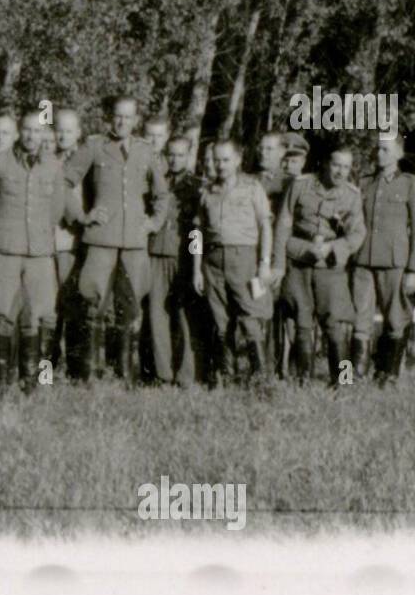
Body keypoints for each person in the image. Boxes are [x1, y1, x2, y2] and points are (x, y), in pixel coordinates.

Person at [69, 96, 168, 383]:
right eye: (117, 116)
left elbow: (162, 195)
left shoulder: (145, 151)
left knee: (132, 304)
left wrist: (153, 223)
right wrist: (82, 215)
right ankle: (88, 373)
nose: (122, 122)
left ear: (137, 120)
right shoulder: (94, 146)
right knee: (93, 303)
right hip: (101, 238)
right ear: (108, 117)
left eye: (128, 117)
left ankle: (125, 373)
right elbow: (64, 182)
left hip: (134, 241)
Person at [0, 108, 66, 392]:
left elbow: (57, 207)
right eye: (27, 130)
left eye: (37, 131)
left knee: (38, 314)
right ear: (18, 131)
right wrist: (0, 231)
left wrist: (38, 232)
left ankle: (32, 382)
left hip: (38, 251)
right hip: (3, 249)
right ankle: (0, 383)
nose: (31, 136)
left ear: (44, 134)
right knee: (1, 312)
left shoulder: (53, 166)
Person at [273, 145, 365, 385]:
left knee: (336, 328)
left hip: (330, 267)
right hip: (299, 262)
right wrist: (278, 264)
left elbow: (357, 235)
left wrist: (334, 248)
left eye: (346, 167)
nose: (340, 172)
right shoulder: (301, 185)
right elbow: (283, 224)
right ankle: (301, 380)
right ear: (325, 163)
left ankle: (343, 381)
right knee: (301, 323)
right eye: (336, 165)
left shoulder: (352, 196)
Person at [192, 139, 274, 383]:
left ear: (238, 160)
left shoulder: (252, 187)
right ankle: (226, 375)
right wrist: (197, 269)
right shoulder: (207, 191)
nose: (221, 165)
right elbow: (196, 233)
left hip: (244, 258)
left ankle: (259, 376)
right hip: (213, 260)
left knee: (250, 316)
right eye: (216, 160)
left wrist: (265, 262)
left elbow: (265, 226)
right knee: (220, 319)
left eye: (226, 160)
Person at [351, 132, 415, 384]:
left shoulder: (410, 183)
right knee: (360, 318)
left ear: (399, 153)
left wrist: (413, 269)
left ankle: (388, 374)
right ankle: (354, 375)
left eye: (385, 150)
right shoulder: (364, 183)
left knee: (395, 319)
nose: (379, 154)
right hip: (363, 260)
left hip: (395, 263)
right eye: (377, 149)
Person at [145, 136, 203, 387]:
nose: (175, 159)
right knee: (158, 315)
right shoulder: (156, 182)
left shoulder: (198, 186)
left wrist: (194, 260)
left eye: (181, 155)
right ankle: (162, 374)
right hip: (157, 253)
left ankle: (186, 374)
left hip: (184, 257)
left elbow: (198, 229)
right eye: (171, 154)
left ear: (190, 156)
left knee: (184, 316)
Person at [51, 108, 93, 375]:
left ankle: (77, 371)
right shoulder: (48, 160)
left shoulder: (87, 162)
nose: (63, 135)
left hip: (75, 244)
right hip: (49, 244)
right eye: (59, 129)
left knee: (75, 308)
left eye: (69, 130)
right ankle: (48, 368)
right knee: (50, 308)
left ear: (79, 132)